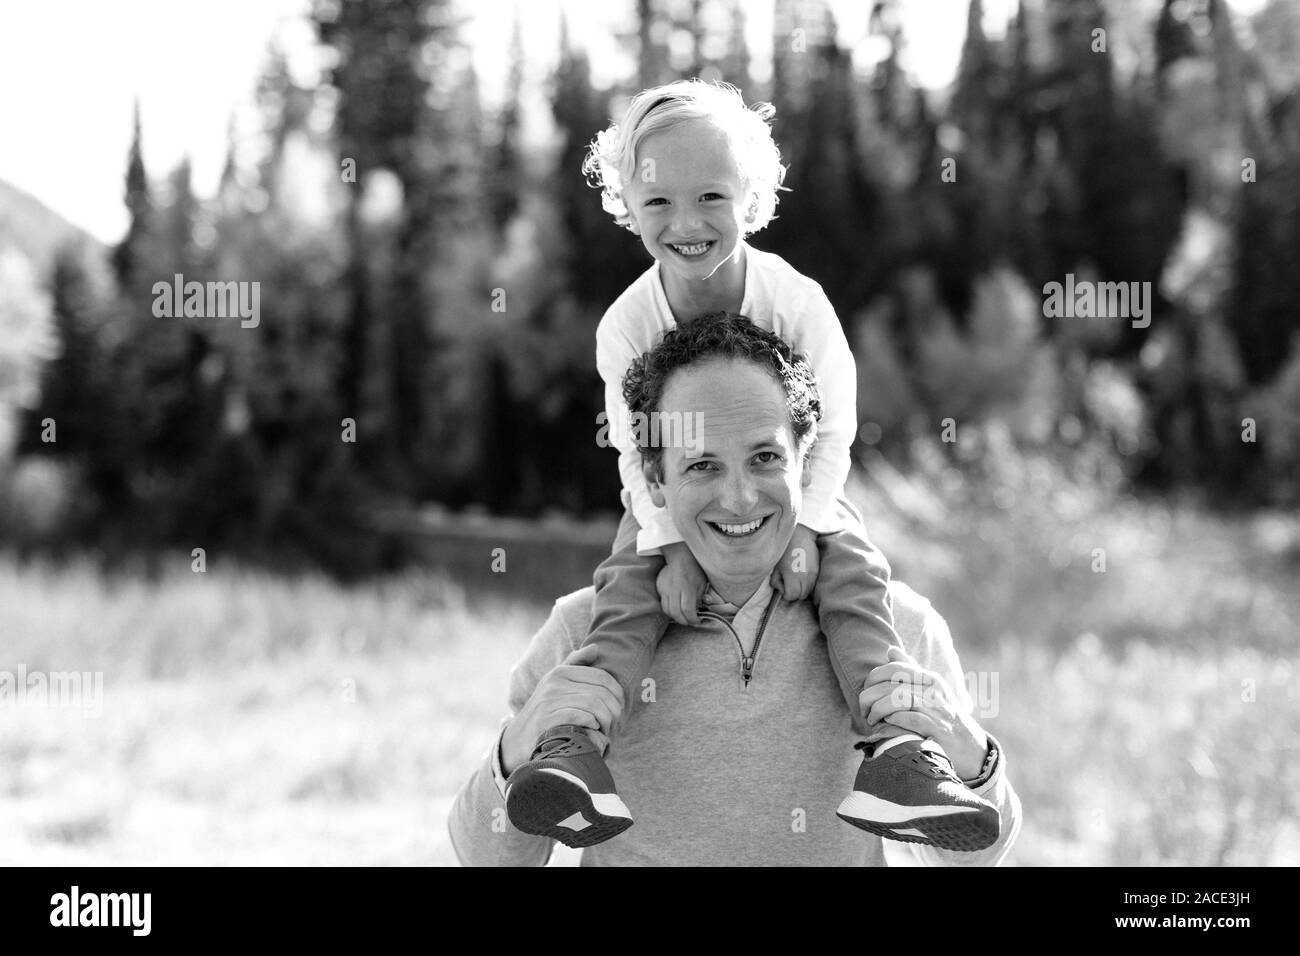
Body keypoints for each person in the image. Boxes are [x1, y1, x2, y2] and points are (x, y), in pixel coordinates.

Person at [503, 79, 998, 850]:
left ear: (754, 196)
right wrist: (666, 545)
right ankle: (573, 746)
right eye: (658, 202)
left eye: (712, 197)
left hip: (806, 492)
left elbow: (831, 433)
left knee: (854, 583)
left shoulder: (797, 303)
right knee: (625, 594)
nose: (687, 223)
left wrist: (808, 529)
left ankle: (901, 748)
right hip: (667, 505)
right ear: (625, 201)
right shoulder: (626, 324)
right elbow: (640, 459)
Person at [449, 316, 1021, 866]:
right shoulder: (582, 632)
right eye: (702, 466)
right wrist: (516, 746)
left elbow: (973, 858)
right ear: (655, 480)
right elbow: (487, 859)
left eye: (765, 457)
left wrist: (964, 745)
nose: (741, 498)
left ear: (806, 460)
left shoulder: (903, 626)